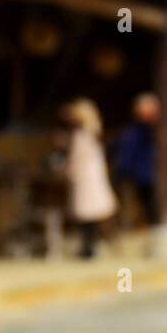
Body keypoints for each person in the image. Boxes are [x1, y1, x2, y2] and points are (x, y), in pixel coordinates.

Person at [60, 99, 117, 258]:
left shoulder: (83, 134)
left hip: (86, 178)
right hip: (91, 177)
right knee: (91, 215)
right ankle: (91, 246)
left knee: (88, 215)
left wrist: (68, 171)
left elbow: (78, 158)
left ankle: (89, 248)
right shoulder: (93, 131)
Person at [114, 92, 160, 227]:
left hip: (154, 175)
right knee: (145, 207)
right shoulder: (135, 132)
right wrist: (123, 171)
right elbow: (127, 154)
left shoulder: (158, 130)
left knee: (153, 207)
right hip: (143, 175)